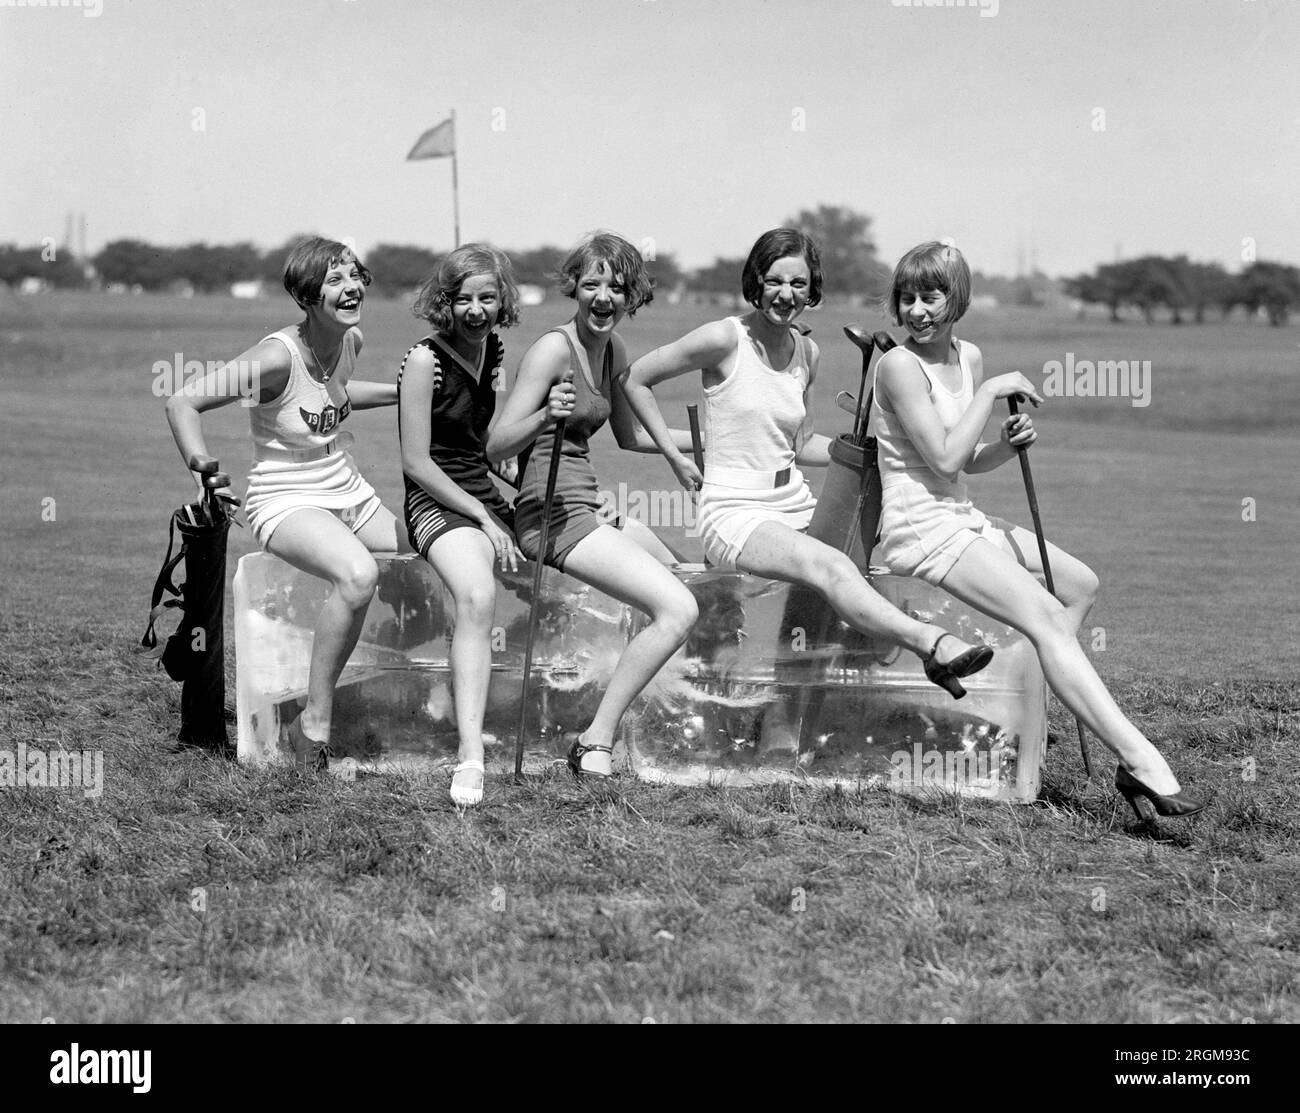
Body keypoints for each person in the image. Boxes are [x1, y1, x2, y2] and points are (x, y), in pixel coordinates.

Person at [869, 240, 1202, 821]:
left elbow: (967, 461)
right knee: (1047, 619)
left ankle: (1024, 709)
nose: (917, 310)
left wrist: (1006, 442)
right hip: (918, 527)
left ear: (957, 298)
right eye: (906, 297)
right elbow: (943, 461)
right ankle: (1139, 760)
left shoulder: (967, 357)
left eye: (930, 295)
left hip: (958, 517)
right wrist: (993, 392)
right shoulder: (898, 365)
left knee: (1078, 586)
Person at [623, 228, 996, 747]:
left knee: (855, 574)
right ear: (756, 282)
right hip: (733, 509)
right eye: (774, 281)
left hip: (791, 496)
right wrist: (672, 454)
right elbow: (636, 379)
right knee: (831, 567)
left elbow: (800, 445)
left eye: (798, 283)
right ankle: (931, 643)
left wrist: (875, 448)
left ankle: (784, 721)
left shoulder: (807, 352)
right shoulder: (723, 338)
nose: (785, 294)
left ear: (811, 288)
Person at [165, 237, 406, 773]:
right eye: (334, 281)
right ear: (306, 295)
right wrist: (202, 464)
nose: (350, 288)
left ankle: (407, 691)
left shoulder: (350, 341)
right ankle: (313, 721)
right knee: (359, 575)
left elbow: (339, 394)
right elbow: (183, 401)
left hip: (350, 491)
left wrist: (402, 389)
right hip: (285, 500)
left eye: (354, 276)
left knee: (433, 550)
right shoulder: (277, 357)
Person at [485, 232, 699, 778]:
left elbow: (630, 436)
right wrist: (543, 417)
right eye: (592, 284)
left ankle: (646, 720)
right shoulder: (553, 349)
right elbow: (496, 444)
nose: (604, 297)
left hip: (586, 504)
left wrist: (699, 447)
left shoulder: (614, 350)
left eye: (618, 287)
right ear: (574, 289)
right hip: (550, 517)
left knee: (681, 576)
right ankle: (595, 741)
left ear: (632, 296)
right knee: (678, 610)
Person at [398, 244, 525, 806]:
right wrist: (483, 517)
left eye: (488, 298)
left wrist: (533, 478)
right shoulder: (424, 359)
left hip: (482, 494)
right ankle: (470, 755)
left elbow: (483, 445)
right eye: (464, 299)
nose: (476, 310)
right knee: (476, 596)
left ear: (502, 302)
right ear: (444, 302)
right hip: (433, 501)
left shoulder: (493, 351)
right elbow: (416, 461)